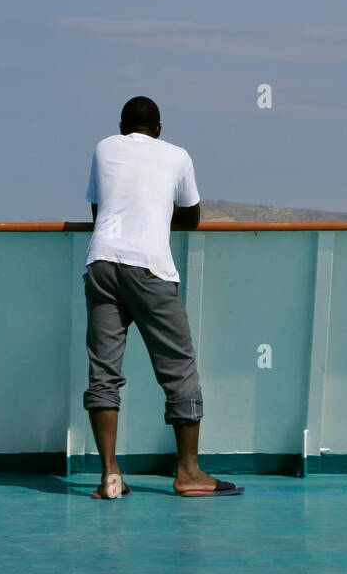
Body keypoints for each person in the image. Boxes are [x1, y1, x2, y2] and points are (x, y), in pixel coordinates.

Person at [83, 96, 243, 499]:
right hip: (150, 268)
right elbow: (191, 216)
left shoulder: (104, 147)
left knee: (104, 371)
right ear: (158, 128)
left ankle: (109, 476)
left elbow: (97, 207)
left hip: (102, 262)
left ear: (122, 126)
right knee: (178, 369)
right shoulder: (177, 156)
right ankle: (188, 473)